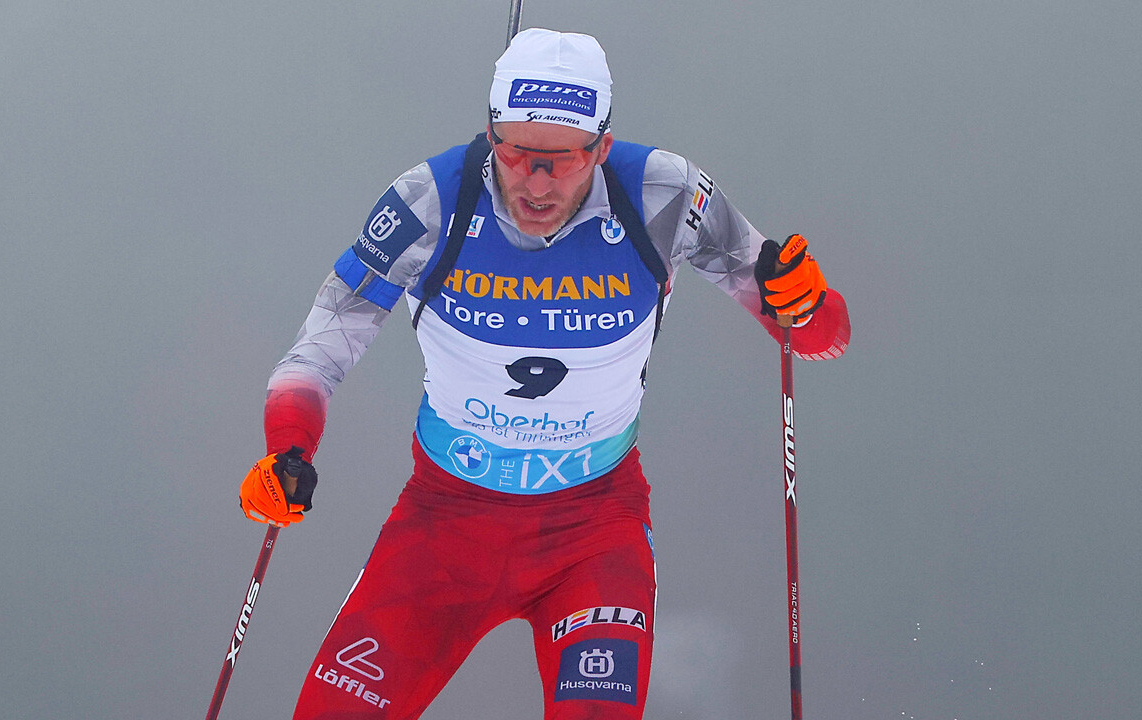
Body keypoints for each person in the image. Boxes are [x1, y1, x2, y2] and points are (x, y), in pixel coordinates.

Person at [238, 28, 850, 719]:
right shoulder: (429, 201)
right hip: (446, 524)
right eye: (517, 154)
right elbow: (319, 349)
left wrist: (805, 304)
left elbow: (818, 337)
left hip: (593, 529)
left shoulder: (663, 194)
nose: (536, 181)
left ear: (602, 148)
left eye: (561, 161)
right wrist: (288, 448)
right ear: (492, 133)